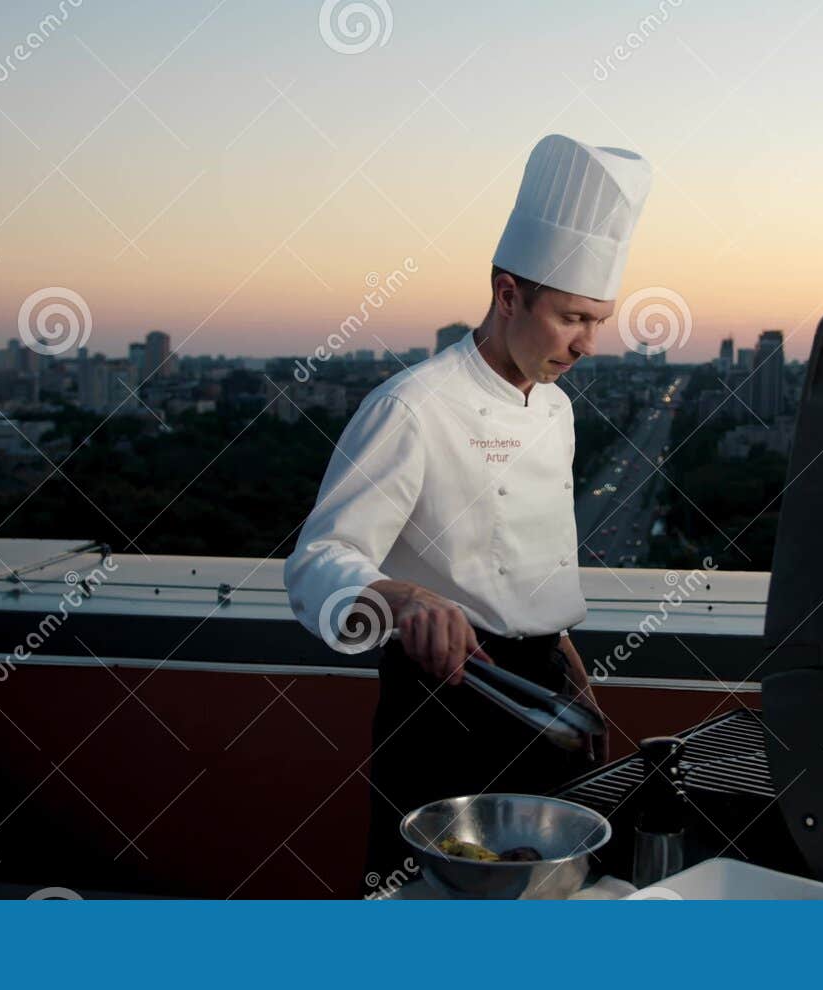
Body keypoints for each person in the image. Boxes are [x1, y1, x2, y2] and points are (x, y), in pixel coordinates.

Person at [283, 134, 652, 895]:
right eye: (572, 318)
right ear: (507, 292)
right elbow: (318, 559)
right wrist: (408, 599)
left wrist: (579, 685)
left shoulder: (555, 408)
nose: (587, 345)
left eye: (599, 322)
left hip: (544, 693)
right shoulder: (412, 407)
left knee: (554, 904)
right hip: (447, 701)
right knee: (427, 911)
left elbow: (538, 577)